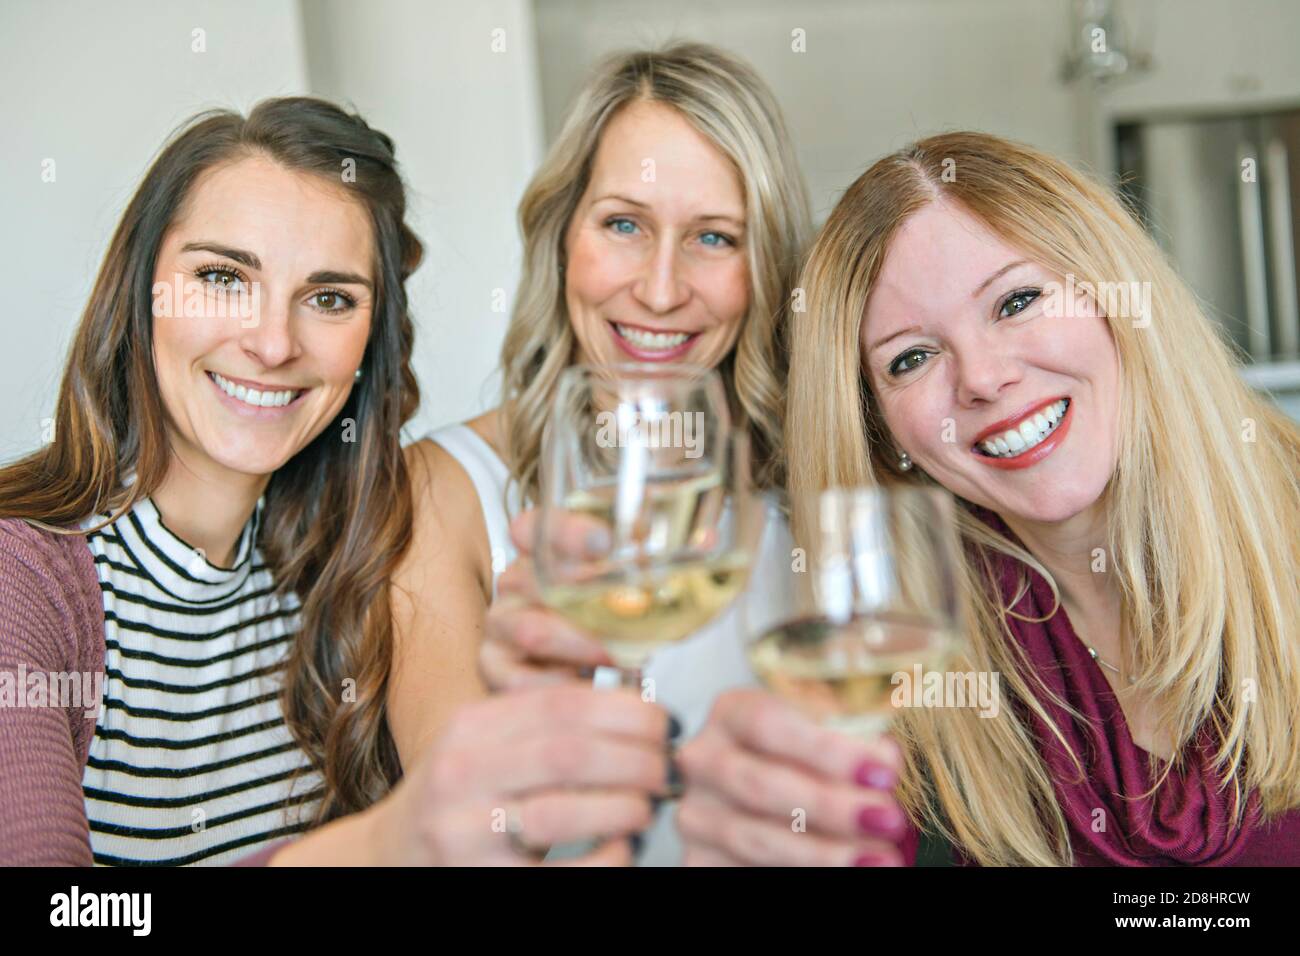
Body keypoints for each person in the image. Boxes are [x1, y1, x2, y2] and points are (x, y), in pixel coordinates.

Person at [0, 97, 667, 867]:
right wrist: (379, 845)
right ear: (141, 291)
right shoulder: (26, 582)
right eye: (223, 276)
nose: (273, 342)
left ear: (369, 346)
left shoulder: (340, 578)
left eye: (329, 299)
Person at [779, 131, 1300, 865]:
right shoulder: (908, 664)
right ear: (879, 426)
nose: (983, 378)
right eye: (912, 358)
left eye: (1016, 300)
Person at [395, 41, 833, 864]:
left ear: (765, 266)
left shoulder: (815, 495)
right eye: (624, 224)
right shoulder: (444, 494)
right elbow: (451, 841)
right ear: (563, 236)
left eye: (715, 238)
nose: (662, 290)